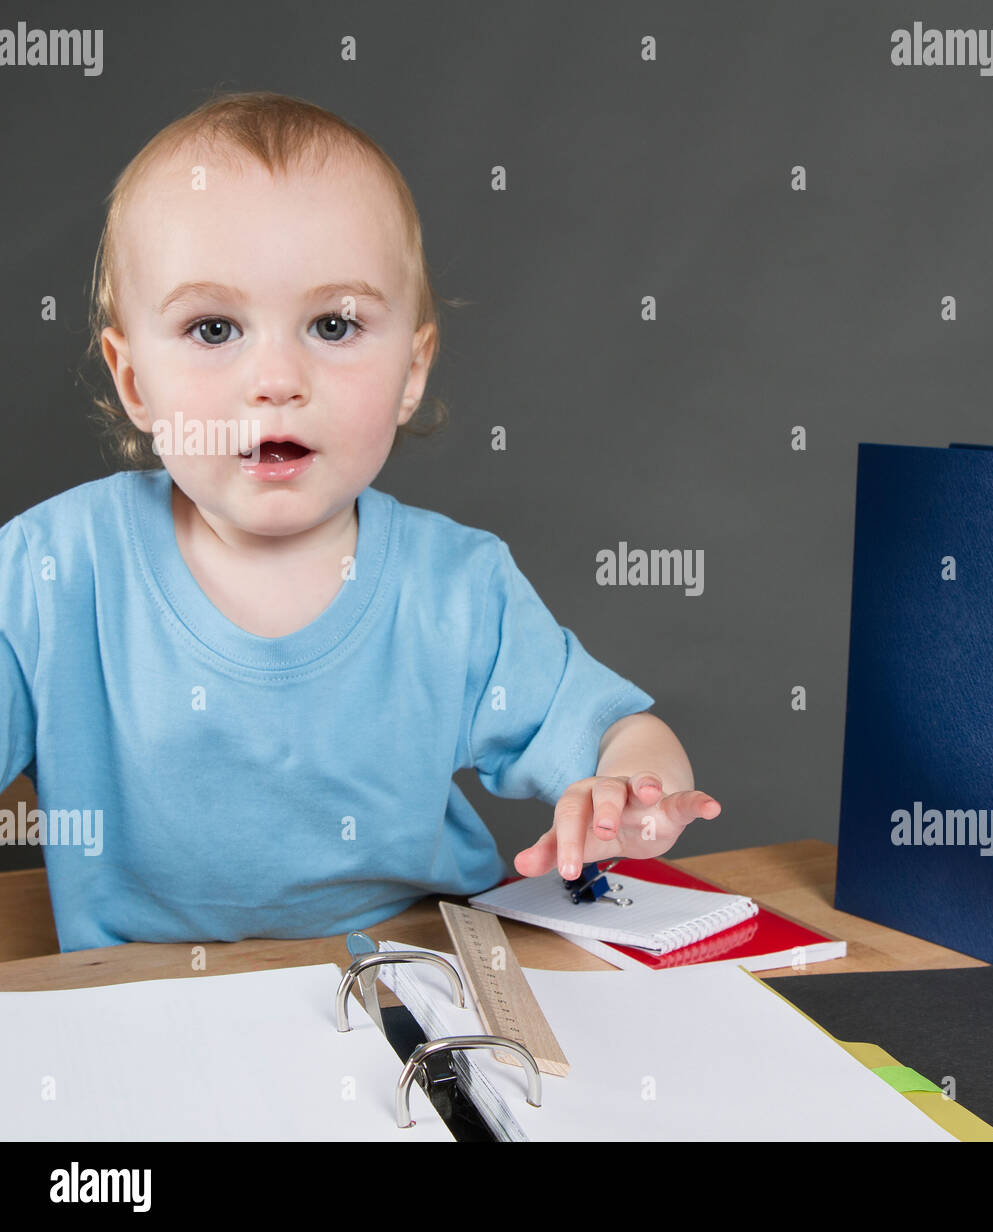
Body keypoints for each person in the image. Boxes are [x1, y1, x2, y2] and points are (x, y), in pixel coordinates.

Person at [0, 90, 719, 952]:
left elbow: (620, 731)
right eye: (214, 326)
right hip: (147, 1015)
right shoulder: (52, 569)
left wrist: (632, 792)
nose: (276, 377)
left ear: (412, 370)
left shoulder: (455, 587)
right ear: (135, 381)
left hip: (421, 987)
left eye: (333, 325)